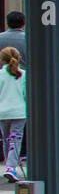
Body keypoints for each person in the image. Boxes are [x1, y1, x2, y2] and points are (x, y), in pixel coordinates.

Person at [0, 46, 26, 182]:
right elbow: (26, 94)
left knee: (6, 139)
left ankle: (9, 165)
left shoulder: (0, 74)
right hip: (19, 111)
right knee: (16, 139)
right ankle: (11, 167)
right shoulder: (23, 74)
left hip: (2, 112)